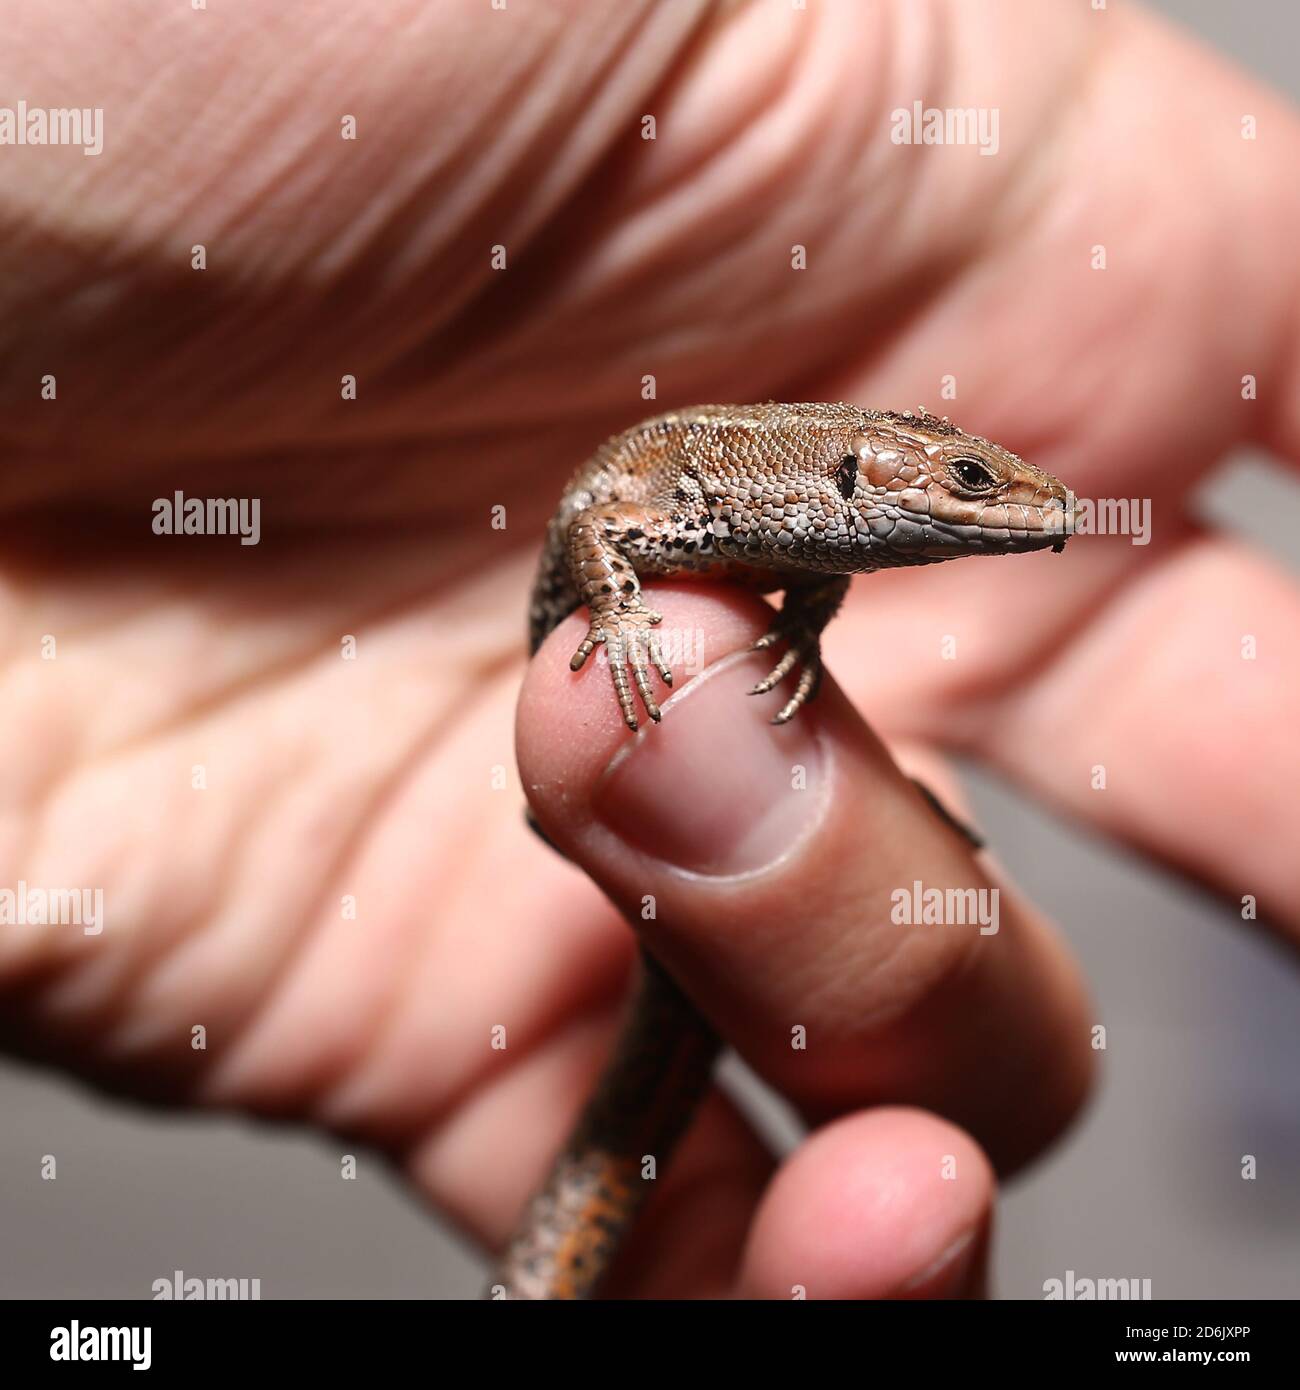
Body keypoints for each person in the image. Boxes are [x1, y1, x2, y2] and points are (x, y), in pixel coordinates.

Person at [1, 0, 1296, 1298]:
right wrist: (619, 615)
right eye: (968, 484)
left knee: (731, 1005)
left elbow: (813, 570)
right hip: (547, 671)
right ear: (863, 472)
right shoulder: (714, 485)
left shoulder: (811, 530)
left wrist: (799, 626)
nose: (1021, 510)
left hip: (551, 745)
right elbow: (601, 521)